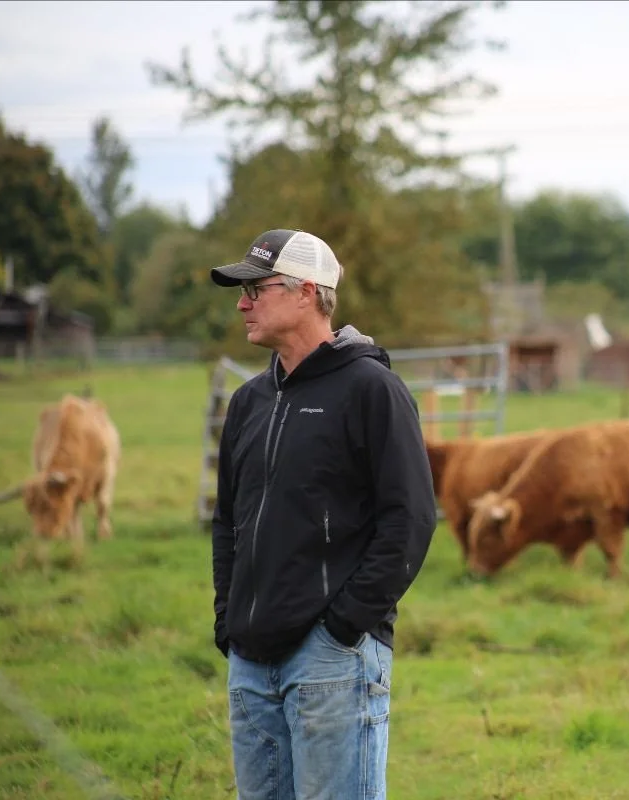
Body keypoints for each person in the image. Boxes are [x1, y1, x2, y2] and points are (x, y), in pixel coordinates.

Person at [208, 228, 437, 800]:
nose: (242, 302)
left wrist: (342, 628)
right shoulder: (249, 402)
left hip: (332, 658)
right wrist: (228, 622)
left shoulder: (371, 390)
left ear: (307, 293)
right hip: (251, 661)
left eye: (256, 289)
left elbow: (409, 519)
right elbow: (227, 521)